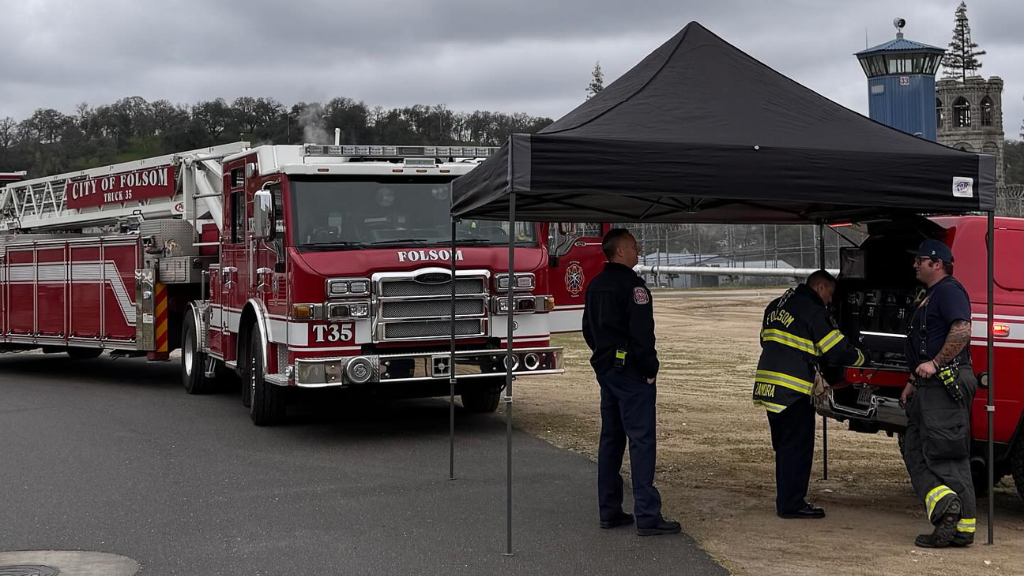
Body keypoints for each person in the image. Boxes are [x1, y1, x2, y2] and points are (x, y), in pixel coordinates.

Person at [582, 228, 680, 537]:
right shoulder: (634, 288)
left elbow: (588, 329)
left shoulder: (595, 285)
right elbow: (642, 334)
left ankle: (609, 510)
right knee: (641, 440)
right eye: (635, 248)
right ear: (621, 251)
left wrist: (604, 356)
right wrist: (650, 369)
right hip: (632, 374)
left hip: (607, 371)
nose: (639, 252)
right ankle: (648, 515)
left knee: (611, 439)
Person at [753, 270, 866, 519]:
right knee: (797, 447)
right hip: (792, 389)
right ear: (821, 288)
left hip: (769, 385)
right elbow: (834, 349)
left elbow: (766, 340)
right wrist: (861, 357)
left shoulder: (776, 304)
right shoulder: (812, 309)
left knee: (784, 447)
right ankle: (792, 505)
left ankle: (786, 499)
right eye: (830, 296)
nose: (830, 302)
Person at [899, 238, 978, 548]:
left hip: (946, 384)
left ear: (937, 263)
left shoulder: (949, 291)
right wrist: (913, 380)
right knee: (915, 451)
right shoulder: (931, 295)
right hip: (928, 387)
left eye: (920, 260)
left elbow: (962, 329)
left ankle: (961, 529)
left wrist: (934, 363)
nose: (915, 264)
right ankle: (947, 508)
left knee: (947, 456)